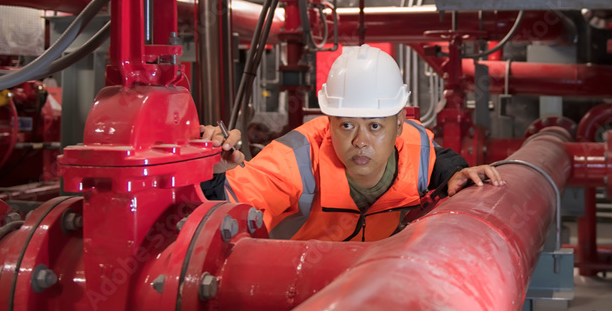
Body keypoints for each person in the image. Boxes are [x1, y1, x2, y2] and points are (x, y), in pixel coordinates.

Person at [200, 44, 503, 241]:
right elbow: (231, 208)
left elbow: (437, 161)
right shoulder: (298, 159)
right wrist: (210, 175)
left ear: (399, 122)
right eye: (346, 125)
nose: (360, 141)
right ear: (328, 122)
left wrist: (456, 173)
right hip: (297, 296)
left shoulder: (418, 150)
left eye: (374, 126)